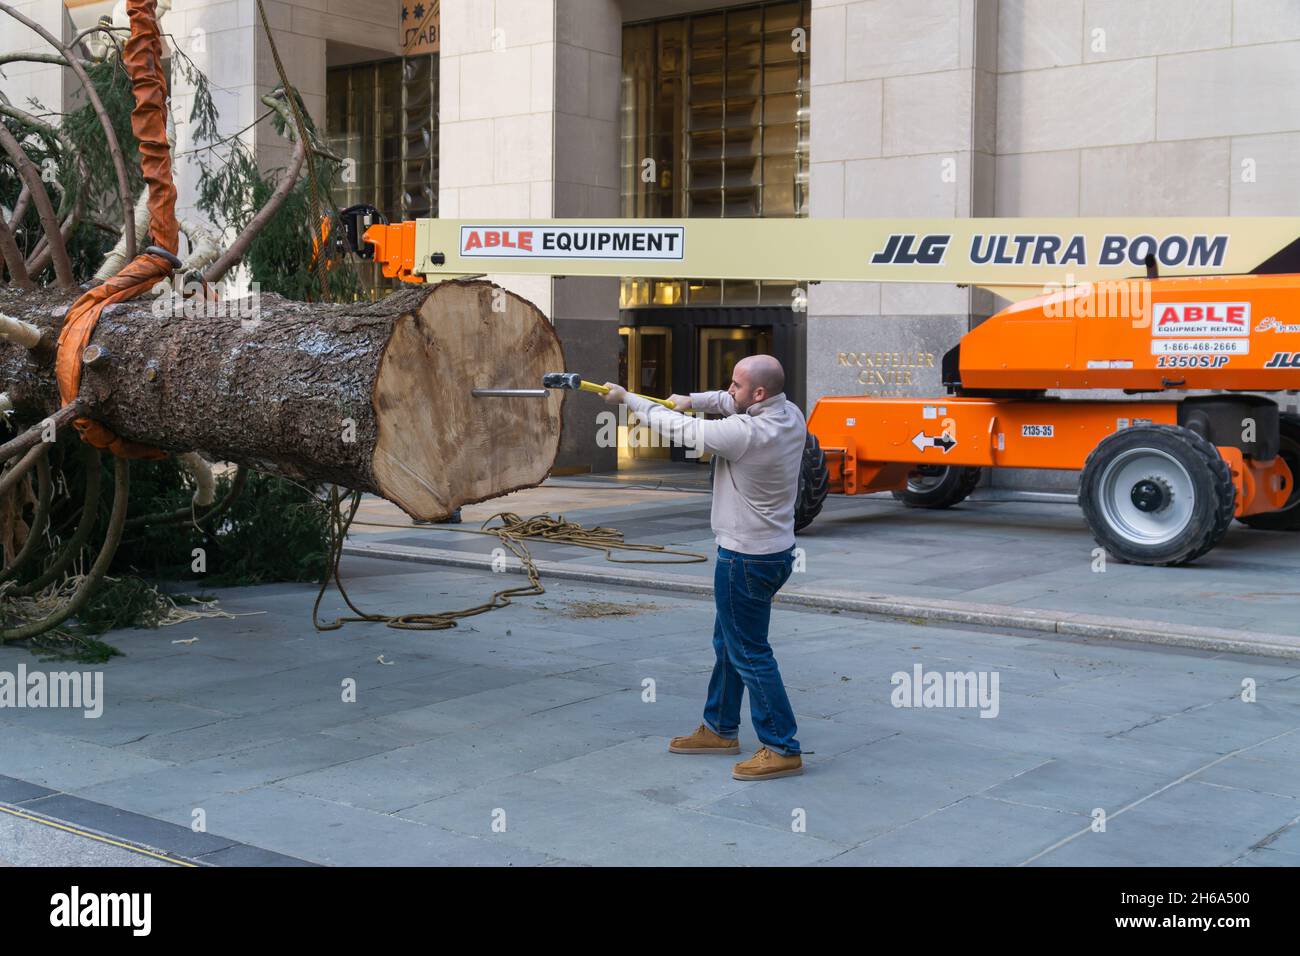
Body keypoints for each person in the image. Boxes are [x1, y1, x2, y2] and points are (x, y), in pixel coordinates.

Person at [602, 354, 807, 780]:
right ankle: (720, 727)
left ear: (759, 394)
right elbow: (724, 403)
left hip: (744, 559)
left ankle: (782, 745)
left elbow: (684, 430)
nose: (729, 391)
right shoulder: (789, 413)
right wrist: (690, 398)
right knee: (731, 644)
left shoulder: (746, 433)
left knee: (750, 652)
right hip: (775, 552)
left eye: (735, 385)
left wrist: (630, 400)